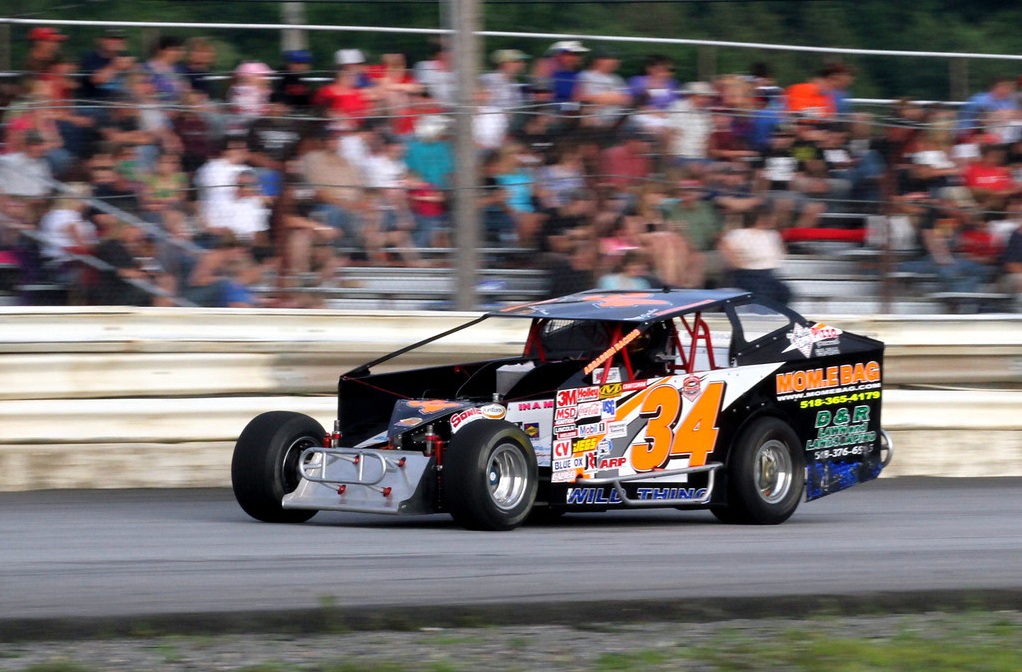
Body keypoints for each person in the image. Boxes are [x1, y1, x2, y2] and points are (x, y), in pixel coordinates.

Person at [718, 203, 792, 306]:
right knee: (762, 292)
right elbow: (727, 250)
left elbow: (779, 255)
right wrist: (740, 263)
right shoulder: (739, 234)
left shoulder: (772, 235)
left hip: (768, 274)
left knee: (784, 292)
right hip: (746, 274)